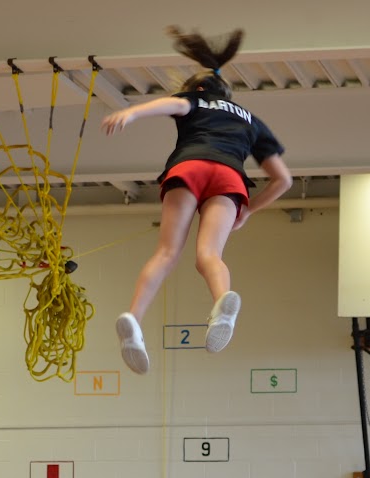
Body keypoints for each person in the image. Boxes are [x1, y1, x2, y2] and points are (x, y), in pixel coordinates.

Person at [100, 26, 292, 374]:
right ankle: (221, 305)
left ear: (200, 89)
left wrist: (132, 112)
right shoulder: (252, 120)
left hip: (188, 169)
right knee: (209, 255)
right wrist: (250, 208)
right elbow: (283, 179)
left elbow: (171, 104)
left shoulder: (195, 100)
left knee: (166, 252)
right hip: (229, 177)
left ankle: (133, 320)